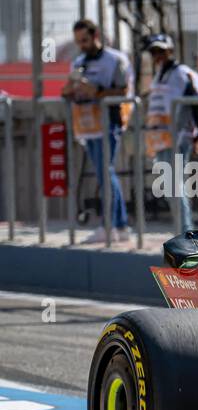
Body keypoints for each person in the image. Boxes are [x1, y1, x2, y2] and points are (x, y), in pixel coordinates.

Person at [63, 19, 133, 244]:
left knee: (106, 172)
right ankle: (120, 226)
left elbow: (123, 90)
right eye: (78, 41)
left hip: (108, 122)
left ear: (96, 36)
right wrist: (70, 89)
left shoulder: (115, 59)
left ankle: (110, 225)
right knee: (105, 174)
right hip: (87, 125)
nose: (81, 45)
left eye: (84, 40)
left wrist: (97, 91)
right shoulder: (78, 61)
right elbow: (68, 92)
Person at [143, 34, 198, 233]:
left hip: (178, 137)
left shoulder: (182, 73)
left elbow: (196, 103)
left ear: (170, 50)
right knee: (168, 187)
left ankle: (186, 232)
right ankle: (182, 229)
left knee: (175, 186)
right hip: (160, 138)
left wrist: (197, 134)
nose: (157, 56)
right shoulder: (160, 74)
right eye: (154, 52)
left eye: (161, 51)